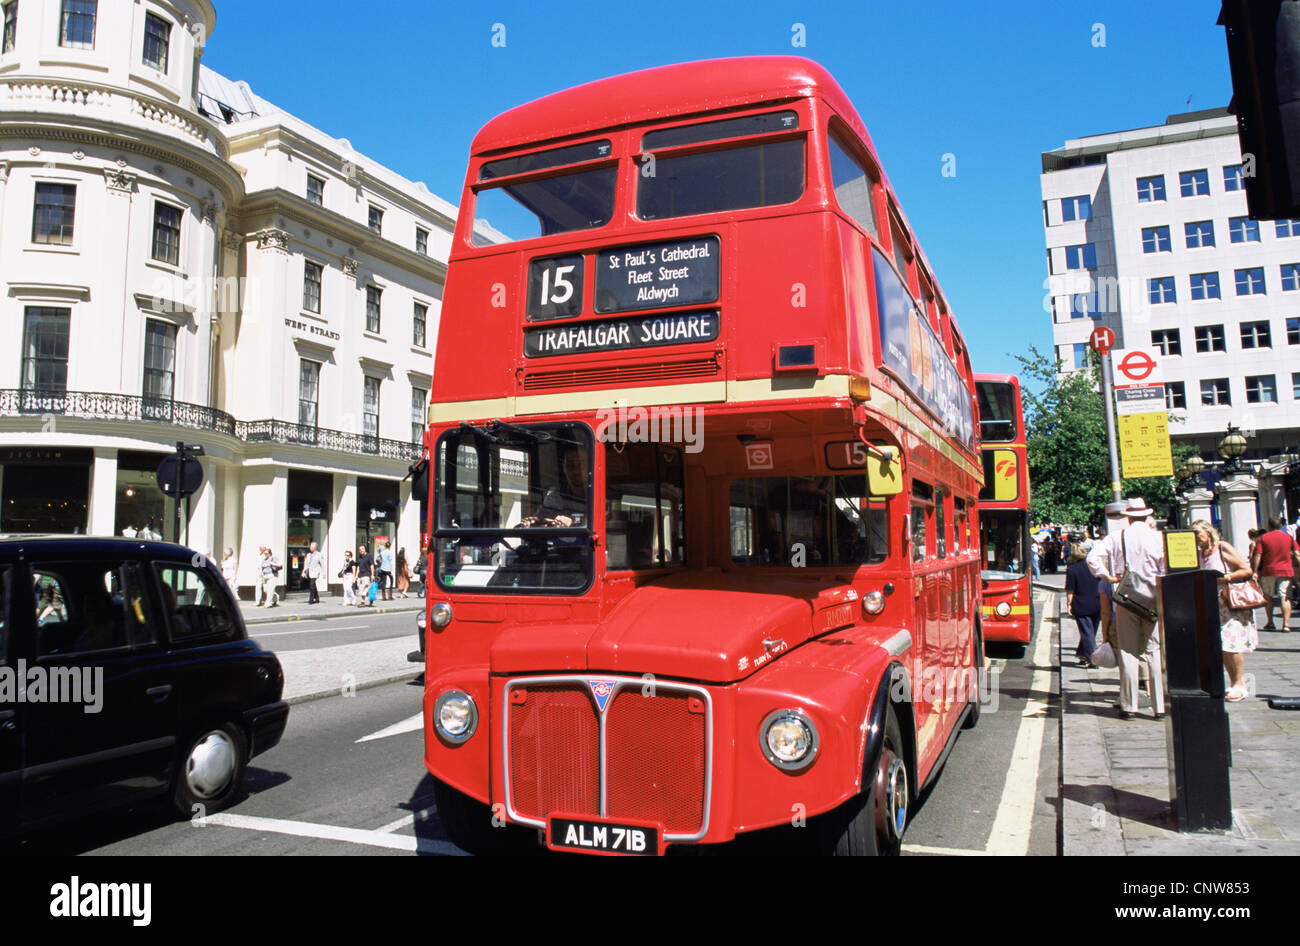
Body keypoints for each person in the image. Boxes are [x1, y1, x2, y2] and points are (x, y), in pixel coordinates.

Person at [1087, 497, 1166, 719]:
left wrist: (1108, 576)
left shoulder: (1117, 537)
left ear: (1128, 516)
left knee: (1128, 651)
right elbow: (1164, 570)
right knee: (1153, 651)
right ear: (1146, 515)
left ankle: (1129, 705)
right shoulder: (1158, 538)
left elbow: (1093, 558)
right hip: (1152, 599)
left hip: (1126, 598)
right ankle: (1159, 706)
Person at [1190, 520, 1257, 701]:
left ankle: (1240, 683)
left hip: (1230, 602)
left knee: (1232, 643)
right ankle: (1234, 682)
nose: (1196, 538)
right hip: (1213, 604)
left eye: (1198, 534)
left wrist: (1225, 577)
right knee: (1222, 644)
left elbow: (1246, 570)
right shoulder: (1200, 553)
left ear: (1208, 532)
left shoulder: (1222, 547)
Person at [1252, 517, 1300, 631]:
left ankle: (1270, 622)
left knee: (1268, 596)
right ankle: (1286, 625)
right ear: (1280, 525)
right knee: (1285, 596)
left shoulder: (1263, 538)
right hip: (1286, 571)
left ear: (1269, 526)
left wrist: (1254, 571)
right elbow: (1297, 553)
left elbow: (1258, 555)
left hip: (1268, 571)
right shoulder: (1289, 537)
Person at [522, 445, 589, 527]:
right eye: (570, 465)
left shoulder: (601, 495)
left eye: (580, 464)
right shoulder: (555, 498)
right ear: (564, 468)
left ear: (590, 467)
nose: (575, 470)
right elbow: (541, 517)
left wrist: (574, 520)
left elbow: (605, 521)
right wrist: (535, 522)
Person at [1065, 541, 1101, 667]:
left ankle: (1093, 660)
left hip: (1081, 605)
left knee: (1087, 633)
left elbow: (1070, 590)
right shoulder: (1094, 566)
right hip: (1097, 603)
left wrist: (1069, 603)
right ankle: (1083, 654)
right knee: (1091, 632)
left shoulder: (1072, 569)